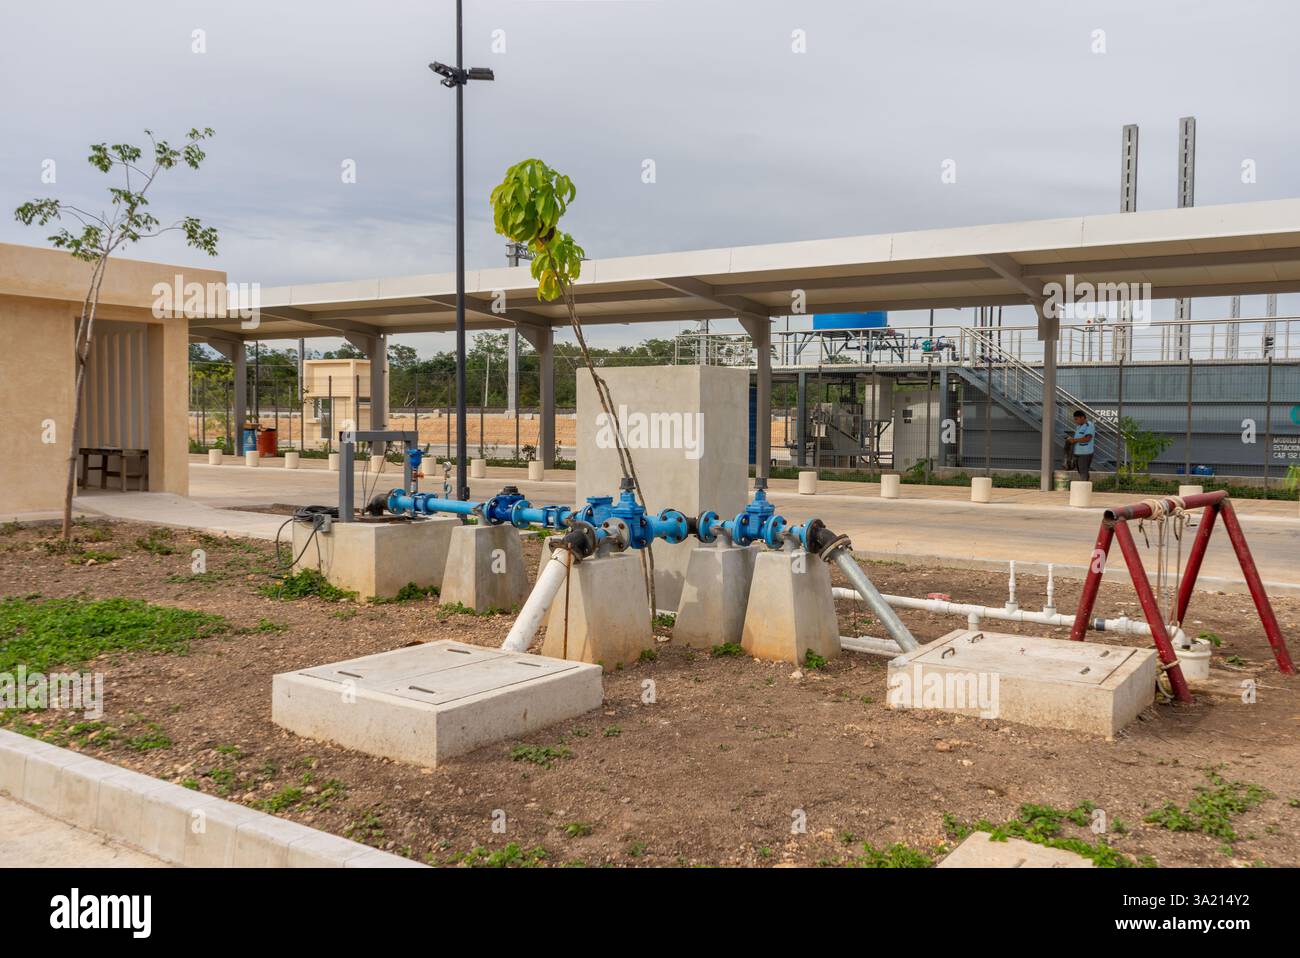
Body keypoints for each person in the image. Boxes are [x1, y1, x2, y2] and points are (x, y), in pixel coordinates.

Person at [1066, 409, 1095, 480]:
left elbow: (1087, 438)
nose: (1075, 421)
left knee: (1083, 471)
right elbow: (1078, 438)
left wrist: (1074, 440)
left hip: (1085, 453)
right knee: (1080, 470)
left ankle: (1084, 487)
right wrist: (1071, 439)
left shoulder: (1089, 425)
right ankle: (1085, 485)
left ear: (1082, 417)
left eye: (1076, 419)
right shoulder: (1079, 426)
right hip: (1078, 452)